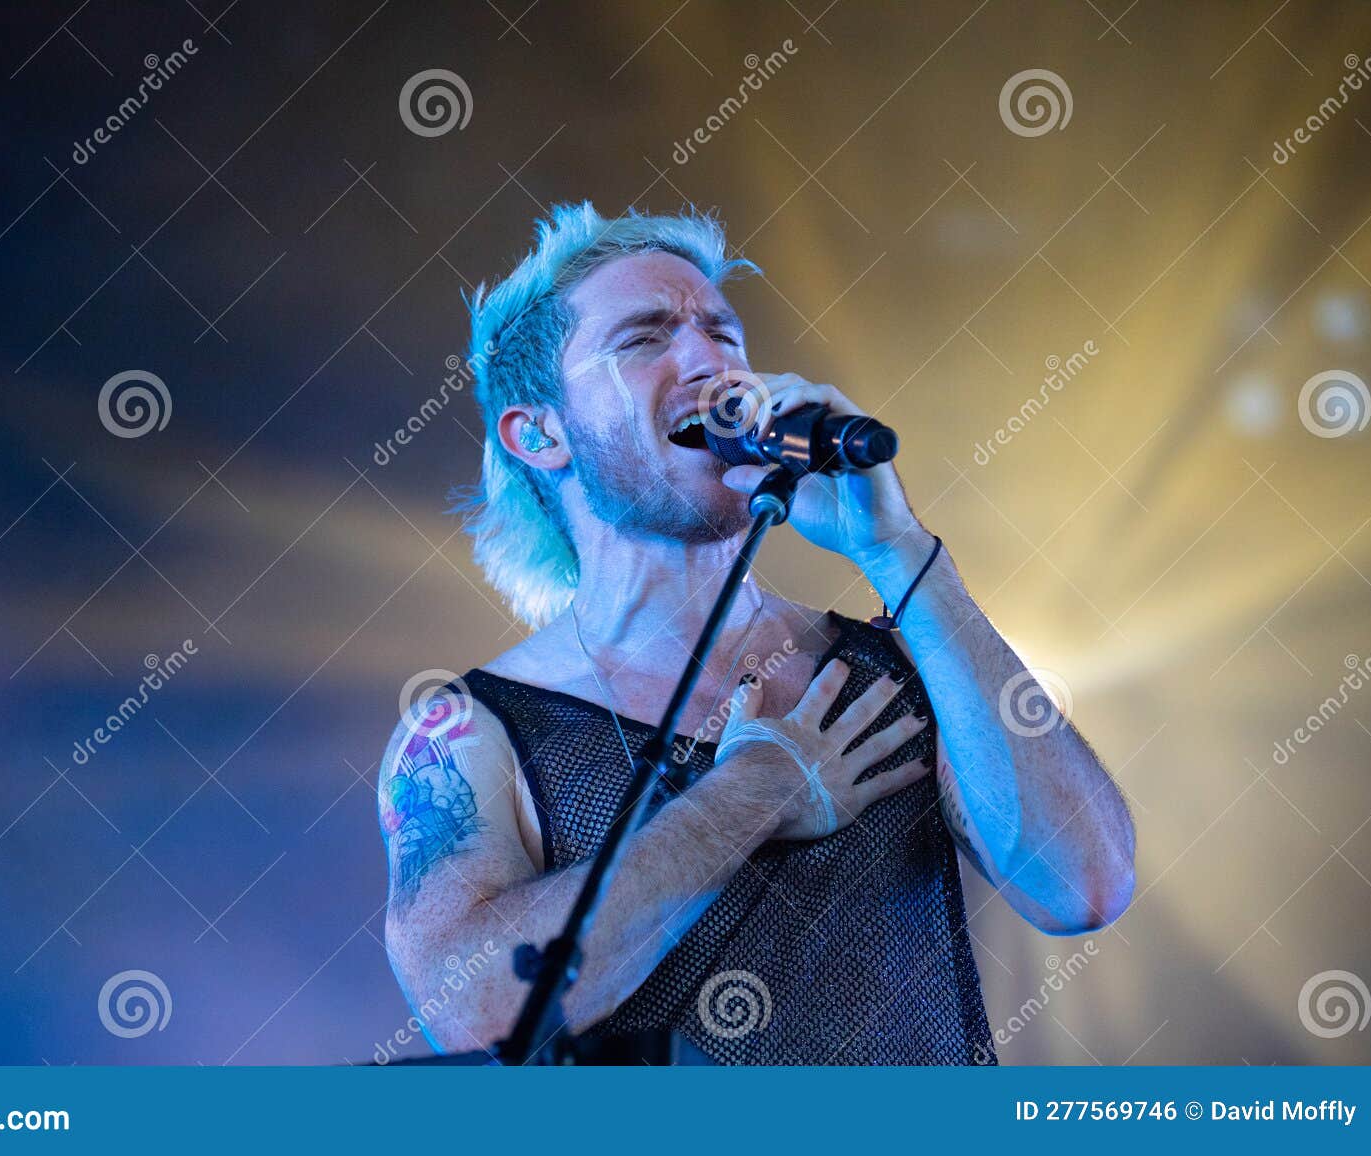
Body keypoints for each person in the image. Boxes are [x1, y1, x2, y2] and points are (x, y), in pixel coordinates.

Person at [376, 202, 1135, 1064]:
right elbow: (473, 1010)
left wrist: (900, 554)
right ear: (543, 432)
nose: (709, 361)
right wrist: (757, 792)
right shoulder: (473, 731)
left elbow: (1083, 883)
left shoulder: (888, 660)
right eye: (644, 338)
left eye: (723, 333)